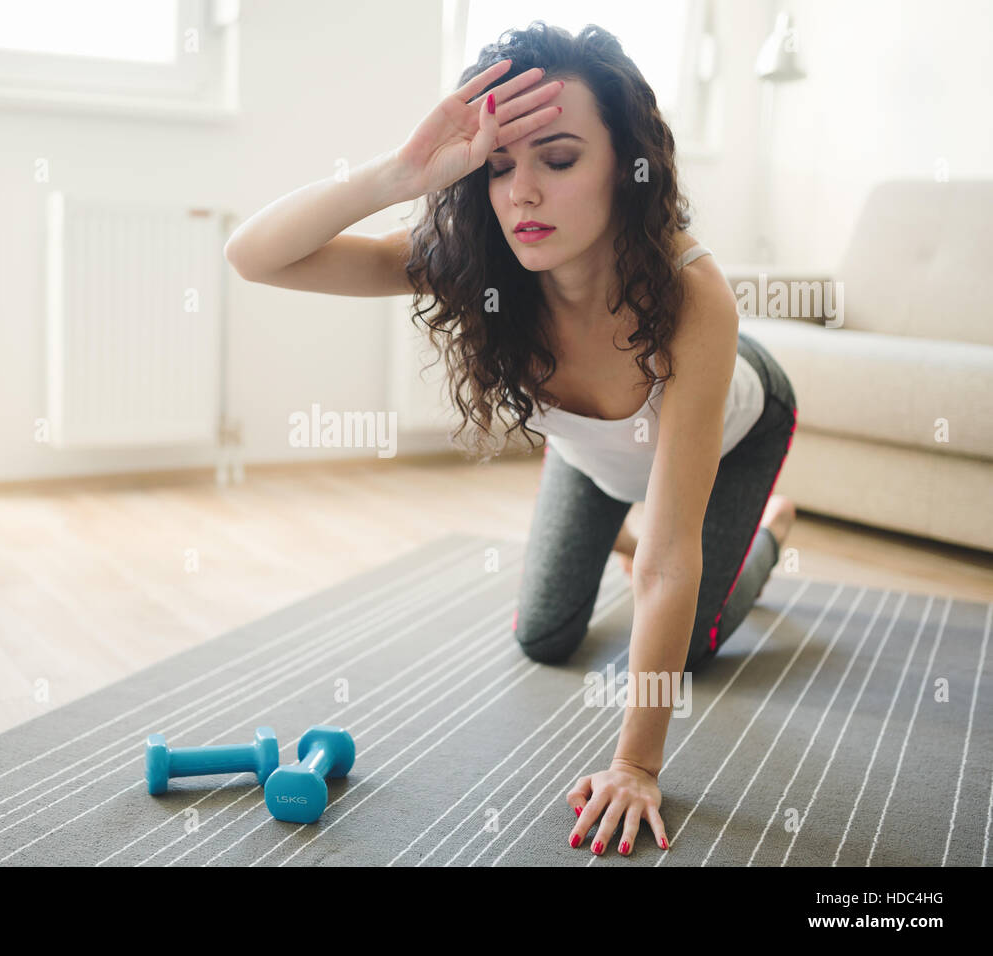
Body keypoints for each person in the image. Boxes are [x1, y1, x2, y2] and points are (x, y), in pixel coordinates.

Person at [224, 20, 799, 860]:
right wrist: (395, 175)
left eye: (558, 160)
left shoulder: (690, 295)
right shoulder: (477, 261)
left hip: (733, 430)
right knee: (546, 638)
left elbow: (672, 560)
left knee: (695, 637)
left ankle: (772, 529)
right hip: (594, 458)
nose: (520, 193)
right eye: (500, 165)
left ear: (625, 168)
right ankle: (626, 523)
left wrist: (636, 763)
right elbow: (254, 257)